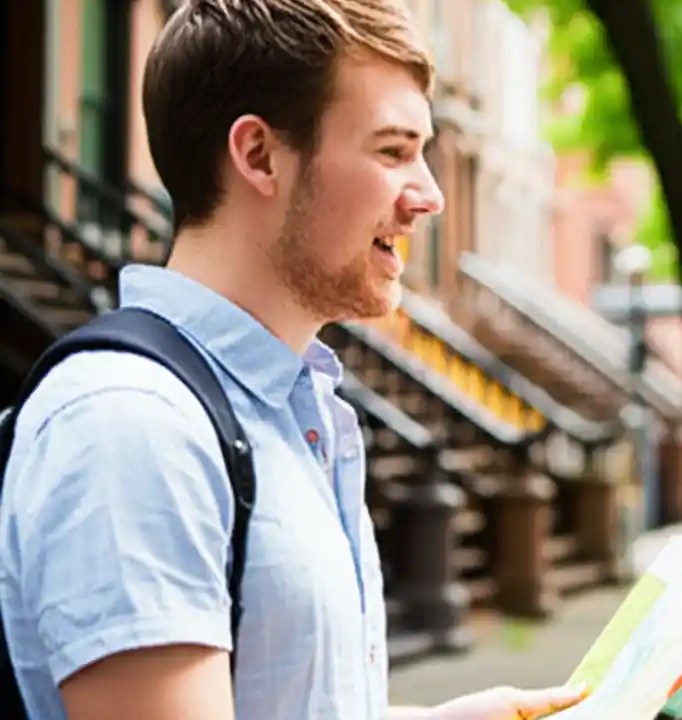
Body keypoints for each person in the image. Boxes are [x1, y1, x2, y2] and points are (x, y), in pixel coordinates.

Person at [0, 1, 585, 718]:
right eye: (393, 151)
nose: (429, 196)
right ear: (258, 155)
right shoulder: (131, 425)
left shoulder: (290, 413)